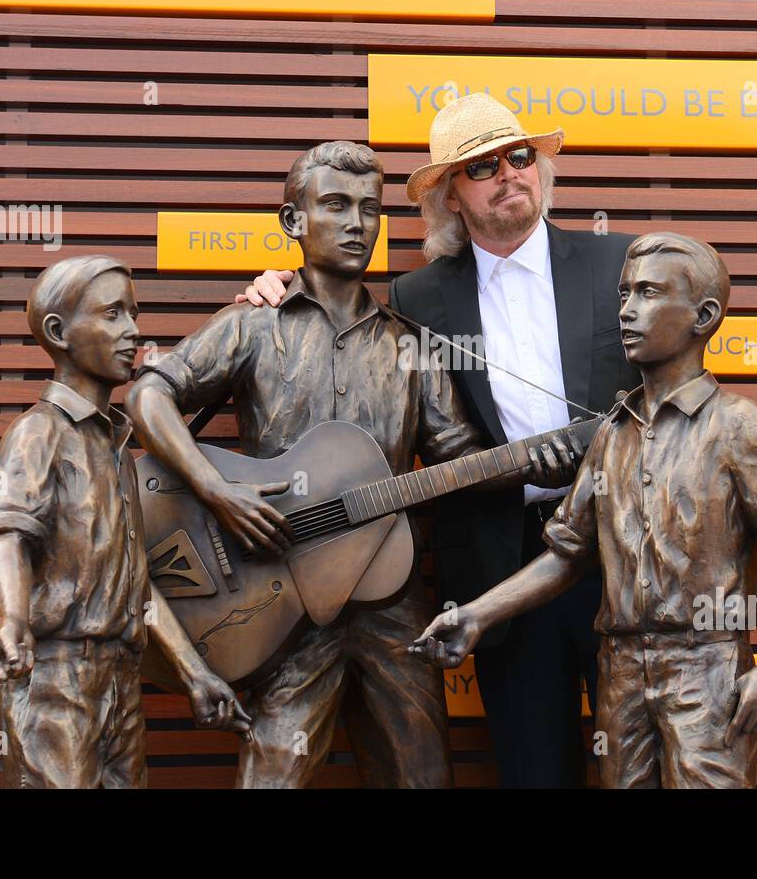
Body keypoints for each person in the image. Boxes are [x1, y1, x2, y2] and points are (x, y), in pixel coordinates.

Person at [125, 141, 580, 788]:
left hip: (391, 600)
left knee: (422, 773)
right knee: (272, 777)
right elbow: (149, 392)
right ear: (293, 221)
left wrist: (542, 457)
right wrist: (217, 488)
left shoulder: (412, 341)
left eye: (370, 208)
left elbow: (460, 459)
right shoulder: (254, 324)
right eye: (335, 204)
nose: (356, 223)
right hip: (277, 600)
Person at [237, 93, 638, 787]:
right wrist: (276, 286)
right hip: (504, 568)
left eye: (521, 156)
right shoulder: (417, 298)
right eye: (483, 166)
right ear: (451, 194)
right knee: (535, 771)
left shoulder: (621, 263)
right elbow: (334, 322)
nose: (511, 173)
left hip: (623, 552)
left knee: (643, 768)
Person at [410, 233, 757, 789]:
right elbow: (566, 555)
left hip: (706, 668)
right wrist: (478, 614)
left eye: (647, 294)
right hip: (621, 672)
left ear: (703, 316)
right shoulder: (611, 434)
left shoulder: (736, 425)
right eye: (623, 293)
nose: (626, 309)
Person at [0, 255, 249, 789]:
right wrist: (11, 617)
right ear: (58, 332)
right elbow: (7, 532)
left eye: (133, 313)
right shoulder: (38, 433)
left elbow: (138, 585)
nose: (133, 330)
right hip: (56, 682)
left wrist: (195, 673)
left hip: (120, 681)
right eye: (112, 314)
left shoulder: (119, 446)